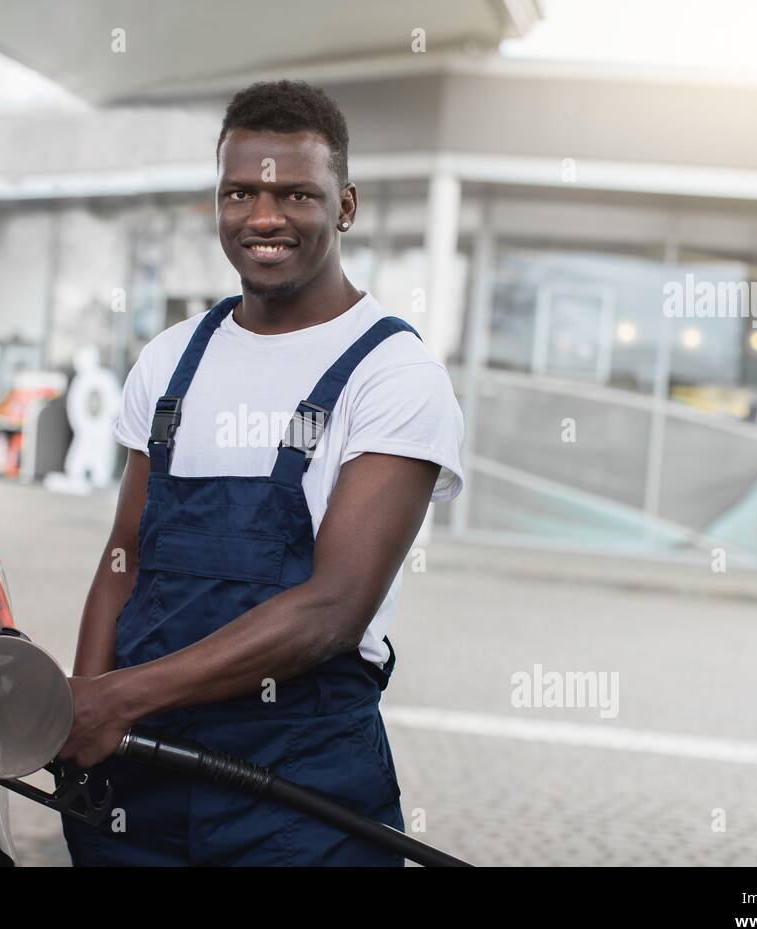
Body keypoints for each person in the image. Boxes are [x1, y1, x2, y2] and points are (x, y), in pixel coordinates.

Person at [57, 79, 465, 866]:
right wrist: (82, 714)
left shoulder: (395, 377)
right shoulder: (172, 360)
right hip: (135, 780)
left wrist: (116, 698)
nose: (264, 217)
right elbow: (124, 561)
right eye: (240, 192)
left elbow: (332, 609)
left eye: (295, 195)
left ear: (345, 206)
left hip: (299, 792)